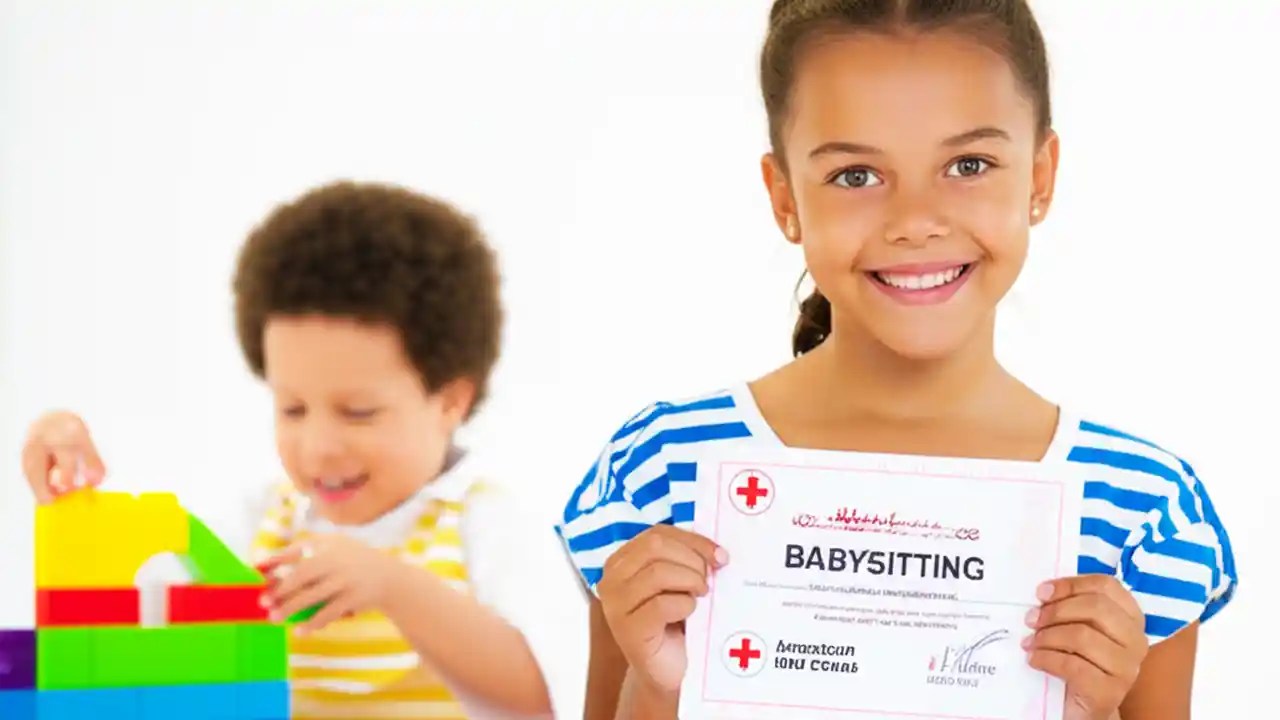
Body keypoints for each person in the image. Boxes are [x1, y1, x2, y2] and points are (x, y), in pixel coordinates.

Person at [553, 2, 1238, 719]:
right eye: (856, 175)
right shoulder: (661, 472)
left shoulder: (1145, 514)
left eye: (968, 164)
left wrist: (1095, 710)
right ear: (785, 198)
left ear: (1040, 177)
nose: (914, 220)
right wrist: (656, 686)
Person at [20, 180, 585, 719]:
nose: (317, 448)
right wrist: (76, 499)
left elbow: (541, 694)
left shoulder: (481, 521)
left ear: (450, 402)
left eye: (358, 412)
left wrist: (392, 586)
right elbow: (142, 617)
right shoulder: (266, 521)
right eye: (291, 409)